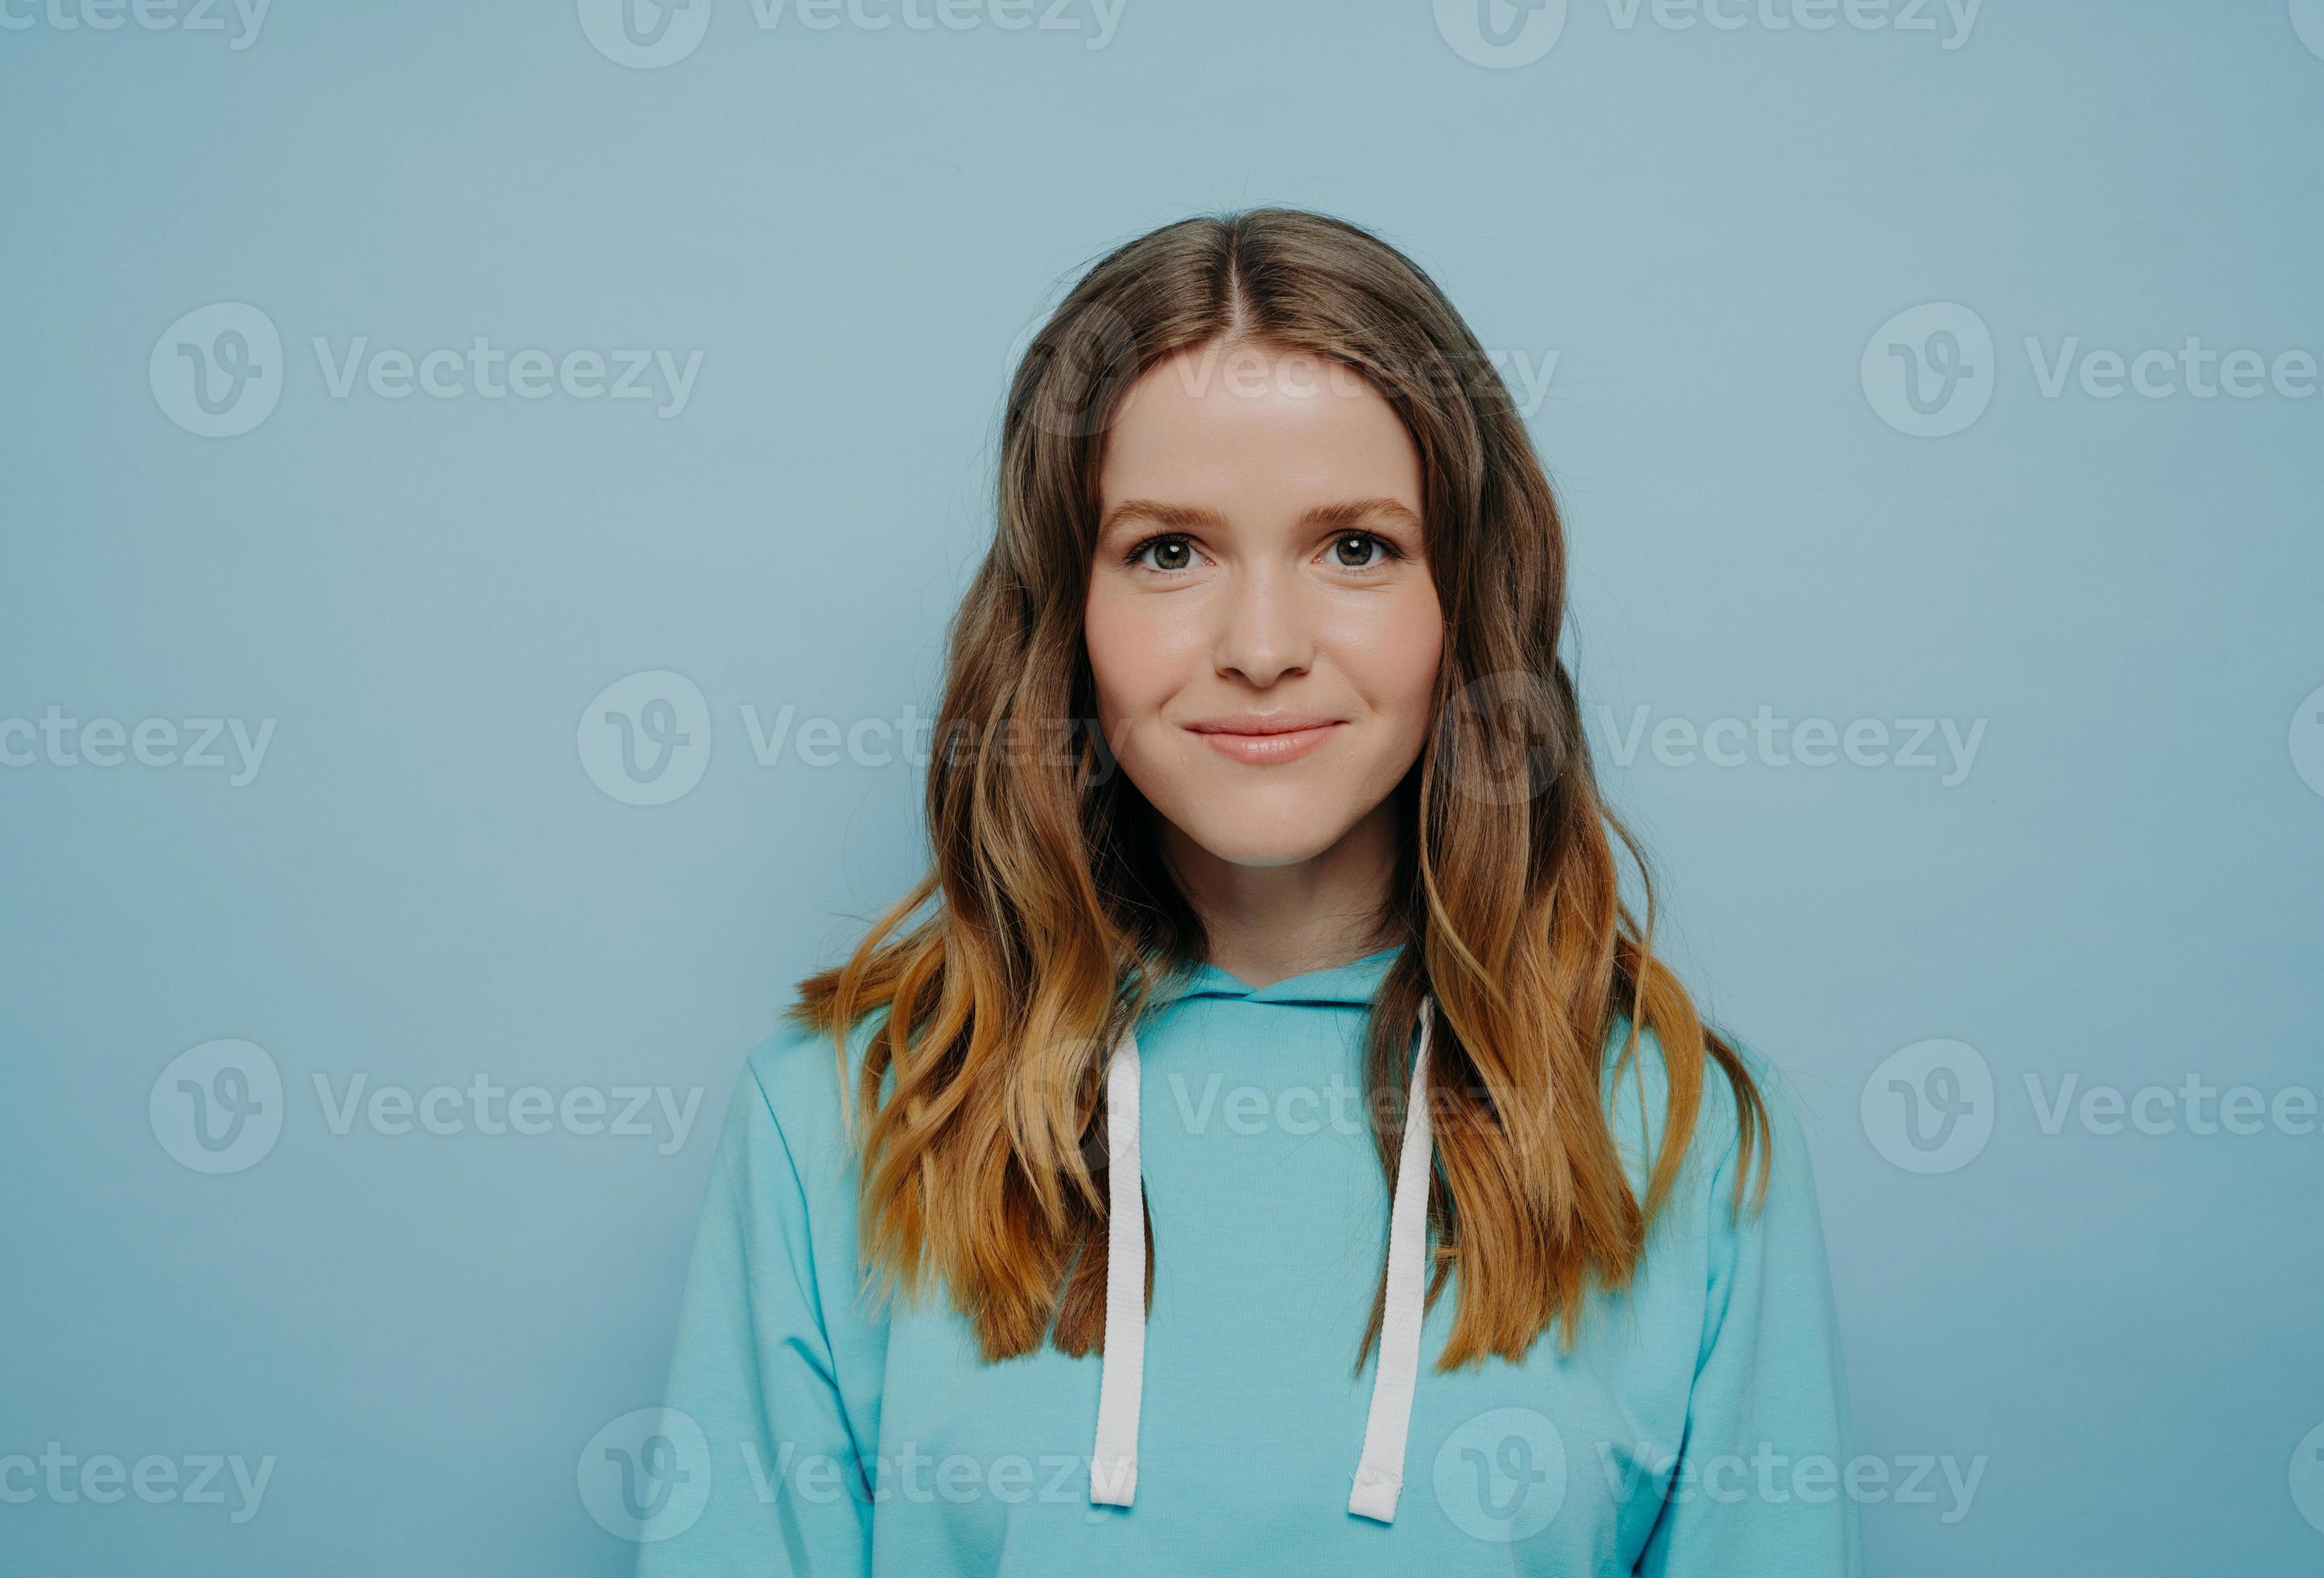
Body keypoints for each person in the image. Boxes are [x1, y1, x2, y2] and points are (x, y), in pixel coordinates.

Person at [638, 208, 1859, 1575]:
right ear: (1065, 614)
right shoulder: (837, 1119)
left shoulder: (1682, 1133)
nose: (1263, 648)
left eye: (1355, 547)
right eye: (1169, 550)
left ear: (1465, 599)